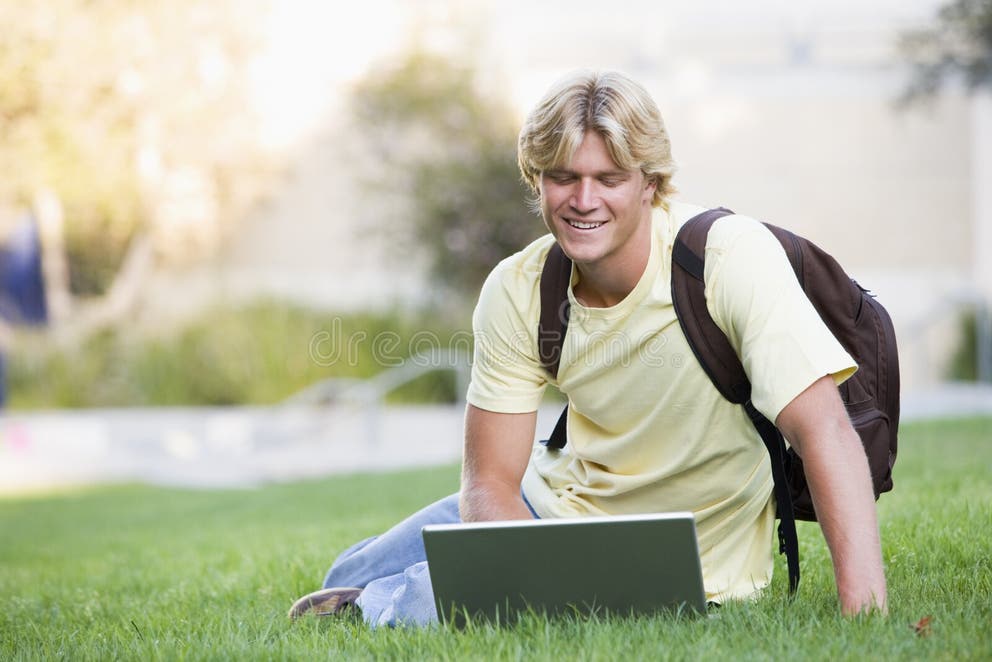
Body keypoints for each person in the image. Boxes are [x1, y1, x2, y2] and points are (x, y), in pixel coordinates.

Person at [287, 69, 887, 626]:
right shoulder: (520, 289)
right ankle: (381, 594)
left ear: (650, 183)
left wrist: (866, 618)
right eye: (563, 177)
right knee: (349, 575)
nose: (583, 200)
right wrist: (536, 568)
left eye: (609, 179)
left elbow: (824, 432)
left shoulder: (727, 258)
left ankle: (389, 604)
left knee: (415, 603)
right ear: (537, 180)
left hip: (687, 552)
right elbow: (490, 482)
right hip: (553, 507)